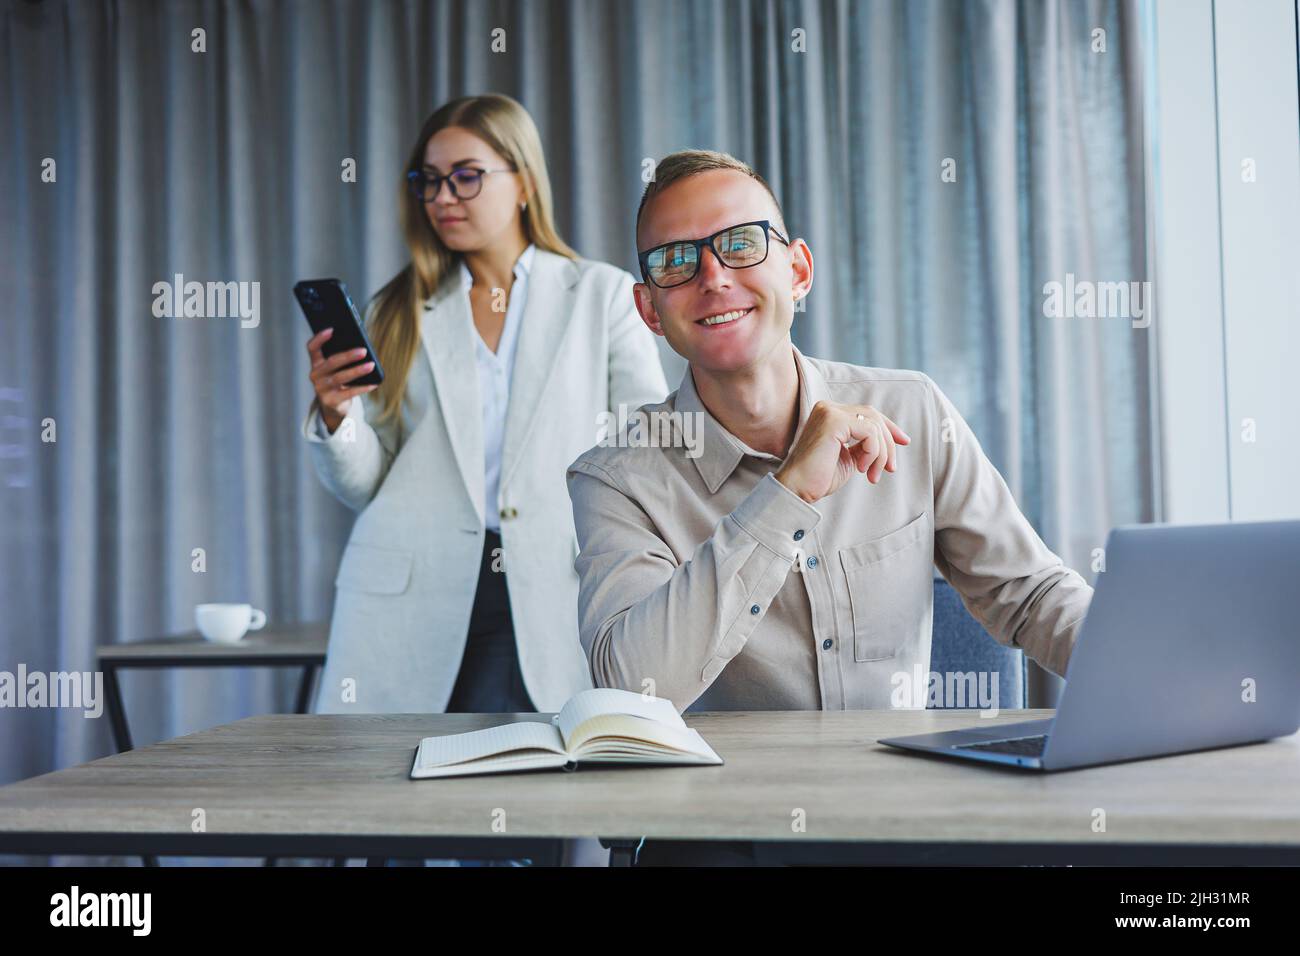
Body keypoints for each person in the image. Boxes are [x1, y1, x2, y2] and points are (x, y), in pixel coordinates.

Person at [565, 148, 1095, 863]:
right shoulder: (615, 477)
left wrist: (1159, 677)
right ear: (649, 310)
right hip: (727, 828)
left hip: (905, 814)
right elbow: (634, 685)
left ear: (799, 271)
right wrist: (787, 495)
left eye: (741, 244)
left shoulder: (911, 407)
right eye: (674, 261)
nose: (713, 276)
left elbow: (1029, 595)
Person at [303, 93, 667, 725]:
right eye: (429, 181)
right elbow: (367, 483)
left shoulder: (600, 296)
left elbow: (643, 452)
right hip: (414, 598)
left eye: (466, 176)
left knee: (541, 798)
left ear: (523, 181)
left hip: (552, 589)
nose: (443, 197)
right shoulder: (400, 310)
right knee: (408, 799)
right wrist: (337, 416)